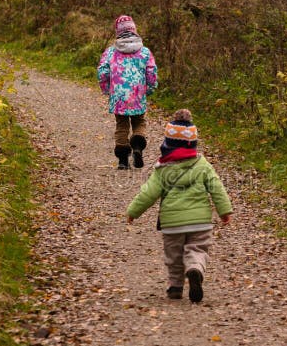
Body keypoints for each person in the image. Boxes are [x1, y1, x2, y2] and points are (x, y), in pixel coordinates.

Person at [126, 109, 233, 303]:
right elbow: (217, 188)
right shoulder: (203, 165)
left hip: (172, 224)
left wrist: (133, 212)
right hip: (201, 221)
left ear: (167, 144)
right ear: (193, 144)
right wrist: (224, 211)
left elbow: (148, 193)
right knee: (198, 249)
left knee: (174, 256)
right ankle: (195, 268)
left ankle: (175, 287)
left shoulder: (162, 169)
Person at [97, 15, 157, 169]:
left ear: (117, 32)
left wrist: (106, 89)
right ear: (134, 30)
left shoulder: (110, 52)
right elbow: (151, 72)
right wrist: (149, 89)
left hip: (118, 96)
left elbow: (102, 72)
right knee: (139, 121)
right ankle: (137, 147)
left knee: (122, 125)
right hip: (138, 95)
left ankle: (123, 161)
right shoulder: (144, 52)